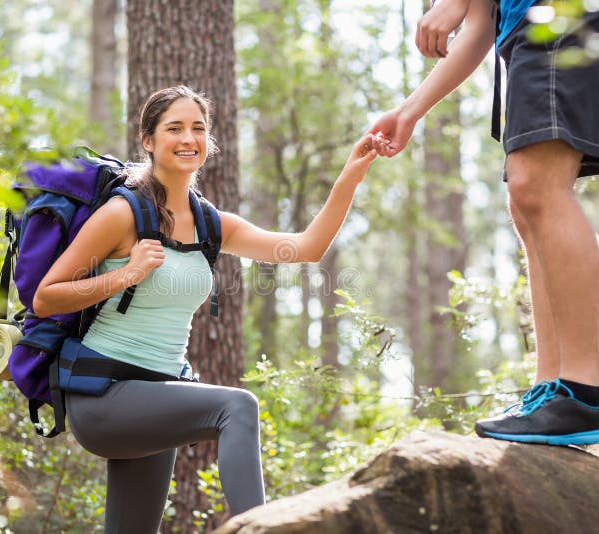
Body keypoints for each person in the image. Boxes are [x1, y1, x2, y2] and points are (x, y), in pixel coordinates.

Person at [33, 85, 379, 532]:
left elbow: (305, 248)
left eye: (198, 128)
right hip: (102, 396)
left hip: (158, 394)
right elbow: (47, 296)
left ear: (209, 142)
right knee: (237, 407)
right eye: (173, 128)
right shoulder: (121, 214)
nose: (187, 138)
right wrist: (124, 275)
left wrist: (349, 176)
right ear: (148, 140)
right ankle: (259, 529)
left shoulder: (211, 223)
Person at [370, 0, 599, 446]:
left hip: (562, 16)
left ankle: (583, 392)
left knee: (538, 189)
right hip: (527, 37)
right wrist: (409, 111)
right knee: (528, 204)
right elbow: (481, 25)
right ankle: (554, 388)